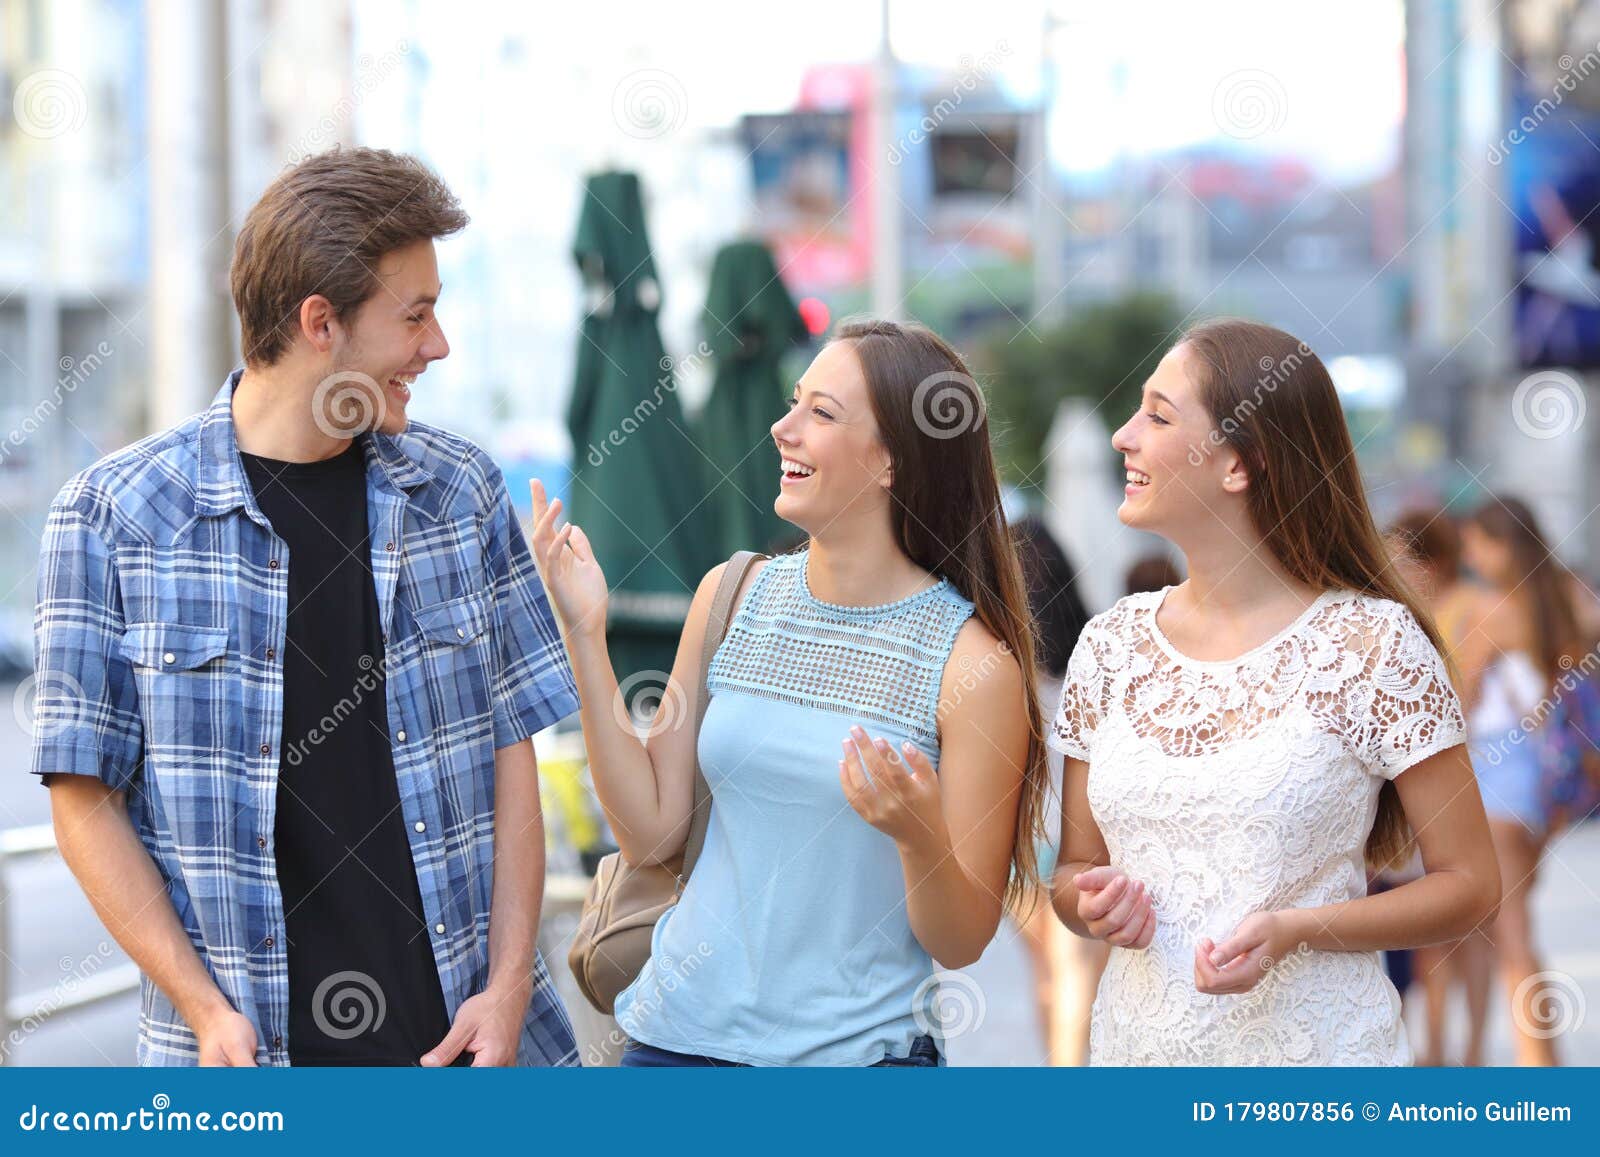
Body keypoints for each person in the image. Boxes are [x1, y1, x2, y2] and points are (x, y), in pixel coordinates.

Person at [30, 147, 581, 1067]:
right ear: (320, 322)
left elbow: (510, 746)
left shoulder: (463, 493)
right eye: (416, 316)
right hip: (247, 1065)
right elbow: (84, 797)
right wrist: (205, 1010)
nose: (436, 346)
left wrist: (512, 982)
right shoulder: (110, 518)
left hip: (470, 1051)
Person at [531, 318, 1045, 1066]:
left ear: (893, 461)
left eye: (821, 413)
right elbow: (650, 829)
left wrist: (917, 830)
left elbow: (961, 939)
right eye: (793, 401)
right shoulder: (731, 596)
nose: (782, 427)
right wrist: (586, 634)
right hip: (669, 1048)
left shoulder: (974, 666)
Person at [1049, 318, 1501, 1065]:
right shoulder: (1109, 646)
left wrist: (1300, 928)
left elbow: (1471, 882)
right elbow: (1070, 873)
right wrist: (1091, 904)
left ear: (1240, 464)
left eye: (1158, 415)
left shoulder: (1375, 645)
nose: (1123, 437)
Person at [1458, 496, 1590, 1065]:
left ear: (1499, 547)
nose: (1470, 556)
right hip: (1543, 787)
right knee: (1514, 929)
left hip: (1496, 781)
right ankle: (1543, 1067)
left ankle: (1541, 1078)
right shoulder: (1564, 605)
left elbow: (1457, 699)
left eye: (1476, 544)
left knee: (1510, 938)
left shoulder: (1490, 611)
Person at [1384, 510, 1495, 1065]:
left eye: (1402, 555)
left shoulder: (1464, 610)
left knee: (1465, 930)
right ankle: (1435, 1051)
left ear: (1429, 559)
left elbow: (1461, 700)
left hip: (1463, 783)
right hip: (1433, 786)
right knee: (1434, 940)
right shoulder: (1407, 614)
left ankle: (1462, 1053)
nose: (1393, 565)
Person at [1010, 516, 1090, 1065]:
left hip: (1020, 842)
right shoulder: (1091, 666)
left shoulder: (1003, 673)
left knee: (1045, 977)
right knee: (1073, 974)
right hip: (1078, 839)